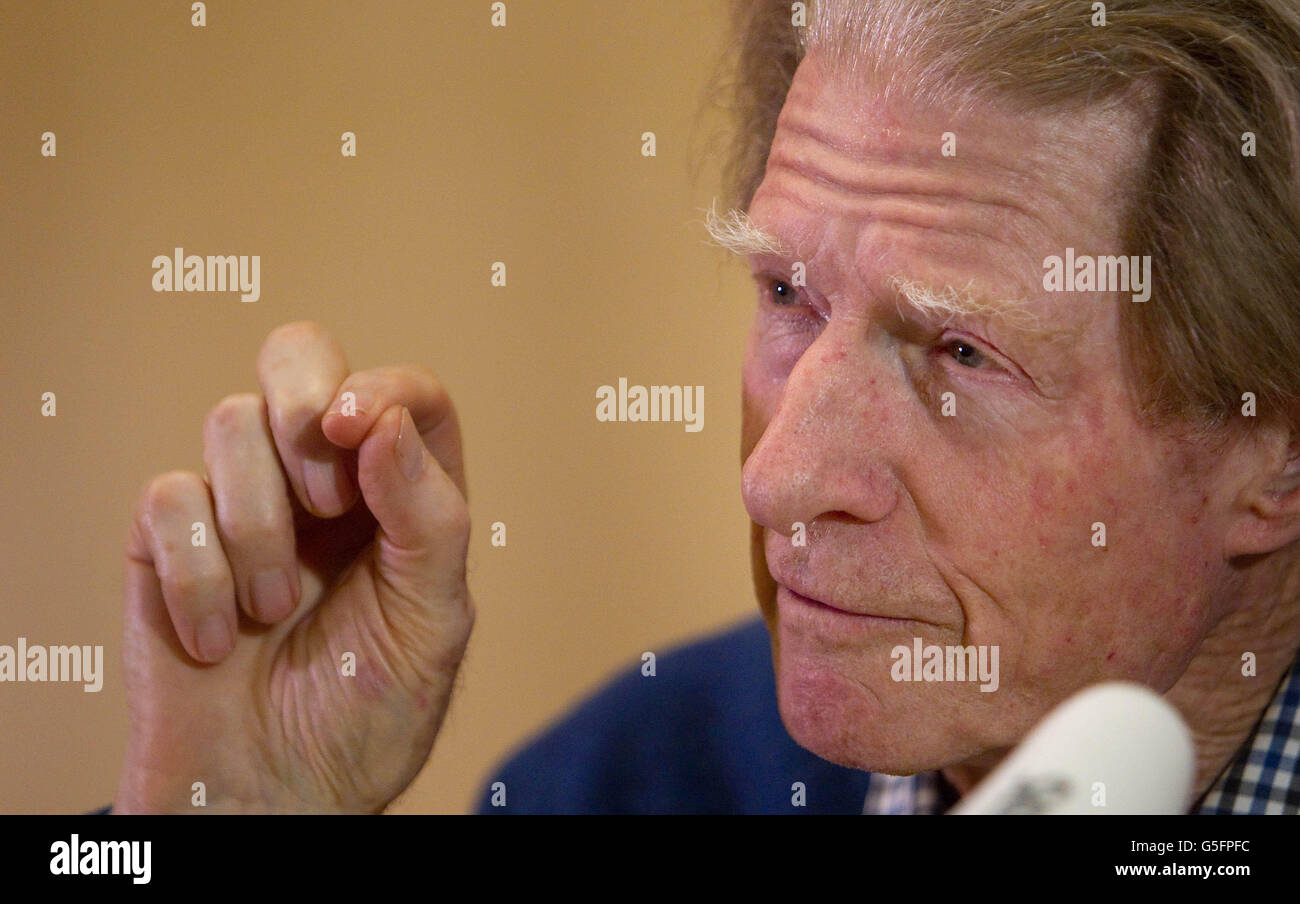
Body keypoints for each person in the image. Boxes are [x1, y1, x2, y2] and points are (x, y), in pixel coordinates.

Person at [109, 0, 1300, 814]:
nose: (775, 476)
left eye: (958, 351)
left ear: (1276, 452)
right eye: (787, 291)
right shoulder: (623, 784)